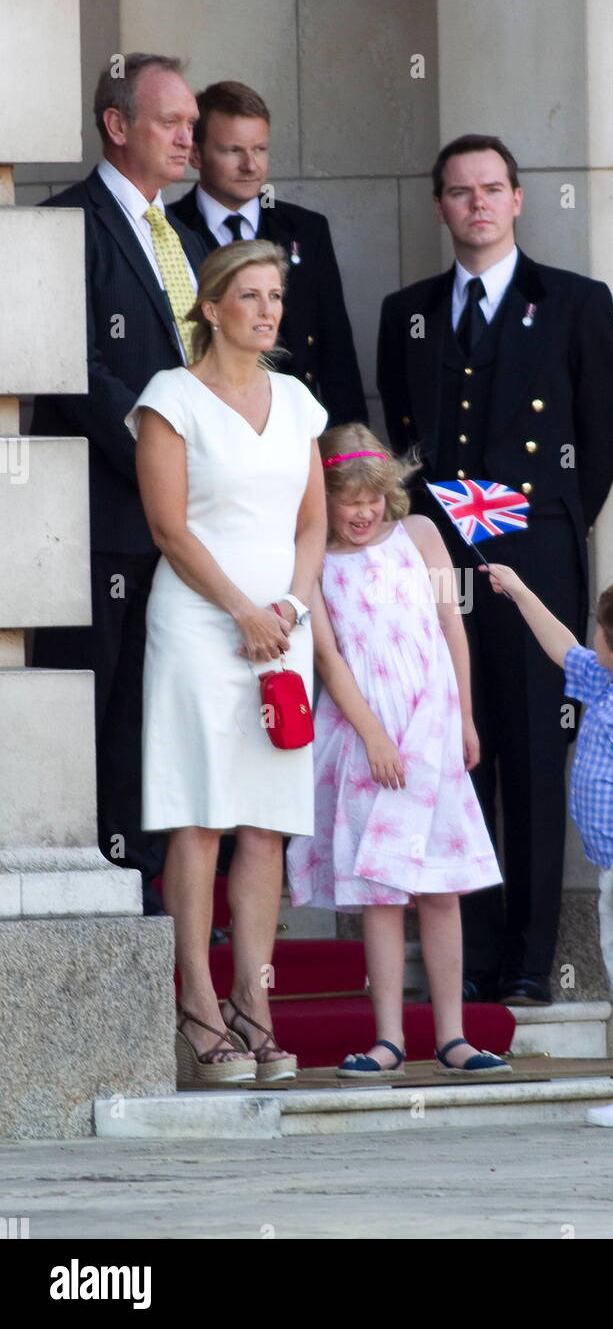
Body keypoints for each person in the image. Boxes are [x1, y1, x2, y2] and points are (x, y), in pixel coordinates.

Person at [377, 133, 613, 1006]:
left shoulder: (571, 303)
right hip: (438, 564)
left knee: (529, 749)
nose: (477, 204)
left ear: (518, 200)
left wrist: (537, 527)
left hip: (534, 561)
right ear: (440, 206)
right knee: (452, 743)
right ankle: (471, 956)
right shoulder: (405, 311)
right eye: (459, 192)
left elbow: (604, 436)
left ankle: (528, 961)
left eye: (492, 189)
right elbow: (407, 448)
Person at [125, 239, 327, 1086]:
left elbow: (311, 525)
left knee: (265, 823)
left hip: (282, 630)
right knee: (200, 816)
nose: (267, 309)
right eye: (249, 295)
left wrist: (289, 606)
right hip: (202, 629)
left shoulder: (299, 400)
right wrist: (240, 609)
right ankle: (198, 1010)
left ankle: (256, 1003)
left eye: (275, 295)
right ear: (211, 307)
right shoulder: (171, 397)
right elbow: (169, 528)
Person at [30, 53, 207, 916]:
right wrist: (156, 446)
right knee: (93, 718)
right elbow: (69, 367)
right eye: (170, 120)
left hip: (185, 530)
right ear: (116, 125)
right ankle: (91, 897)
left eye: (191, 123)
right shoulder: (66, 223)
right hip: (97, 525)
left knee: (152, 722)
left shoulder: (190, 238)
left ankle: (143, 894)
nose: (188, 136)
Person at [286, 424, 510, 1077]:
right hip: (366, 742)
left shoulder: (420, 538)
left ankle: (452, 1035)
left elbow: (450, 626)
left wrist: (465, 716)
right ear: (321, 500)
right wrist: (373, 736)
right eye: (347, 501)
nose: (361, 513)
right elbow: (327, 658)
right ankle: (386, 1037)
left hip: (431, 728)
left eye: (371, 499)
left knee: (440, 887)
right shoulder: (315, 559)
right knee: (380, 891)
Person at [482, 564, 613, 1128]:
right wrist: (522, 590)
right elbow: (563, 649)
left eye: (601, 628)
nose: (592, 635)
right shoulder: (610, 683)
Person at [170, 80, 367, 427]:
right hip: (203, 427)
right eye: (233, 151)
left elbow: (336, 351)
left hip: (293, 427)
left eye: (260, 149)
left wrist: (351, 453)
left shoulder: (306, 230)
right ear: (196, 154)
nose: (250, 165)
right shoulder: (169, 230)